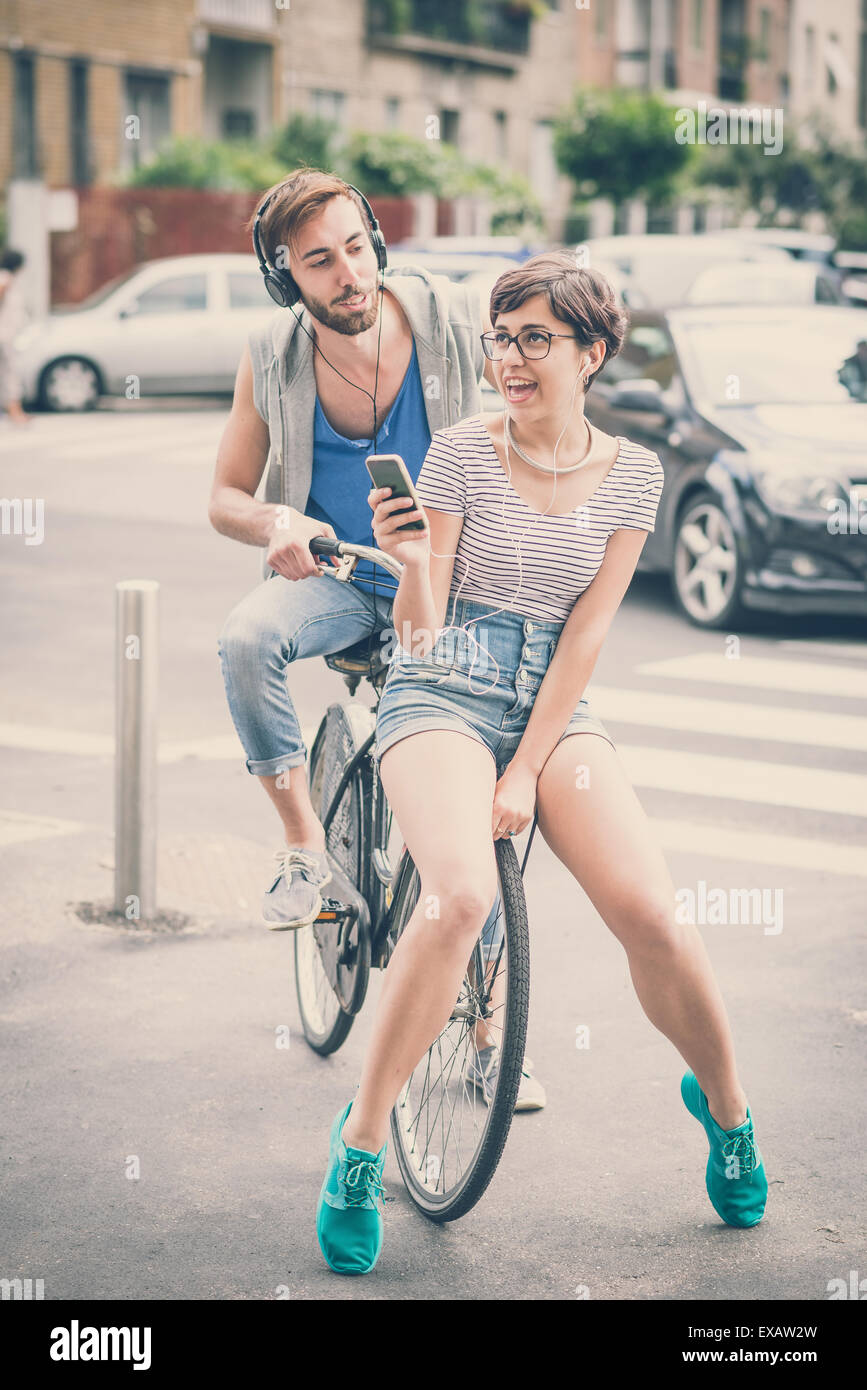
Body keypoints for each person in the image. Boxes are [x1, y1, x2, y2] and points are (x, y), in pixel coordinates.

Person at [316, 252, 768, 1275]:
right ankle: (360, 1141)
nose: (510, 359)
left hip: (552, 704)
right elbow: (420, 636)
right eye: (500, 337)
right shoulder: (463, 455)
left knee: (652, 911)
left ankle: (728, 1108)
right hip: (441, 686)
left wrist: (523, 770)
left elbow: (588, 634)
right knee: (460, 898)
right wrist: (418, 562)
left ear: (592, 352)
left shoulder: (637, 472)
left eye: (534, 339)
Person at [210, 169, 548, 1111]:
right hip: (337, 577)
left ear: (377, 243)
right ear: (287, 278)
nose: (346, 273)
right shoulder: (269, 354)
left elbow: (533, 411)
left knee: (468, 813)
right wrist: (279, 521)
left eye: (355, 247)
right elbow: (223, 498)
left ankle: (492, 1038)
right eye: (319, 261)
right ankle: (303, 849)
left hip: (446, 584)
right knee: (244, 641)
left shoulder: (447, 321)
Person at [0, 249, 32, 425]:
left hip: (7, 335)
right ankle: (15, 412)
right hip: (4, 336)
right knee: (10, 374)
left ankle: (14, 411)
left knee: (7, 373)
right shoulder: (5, 279)